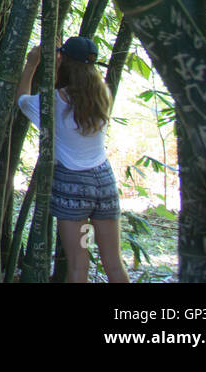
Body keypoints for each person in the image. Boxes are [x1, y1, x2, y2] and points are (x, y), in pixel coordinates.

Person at [16, 36, 129, 283]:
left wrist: (32, 64)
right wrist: (61, 66)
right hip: (104, 182)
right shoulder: (103, 95)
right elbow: (75, 88)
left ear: (64, 63)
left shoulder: (53, 102)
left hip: (73, 187)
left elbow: (22, 100)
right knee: (114, 264)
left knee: (78, 266)